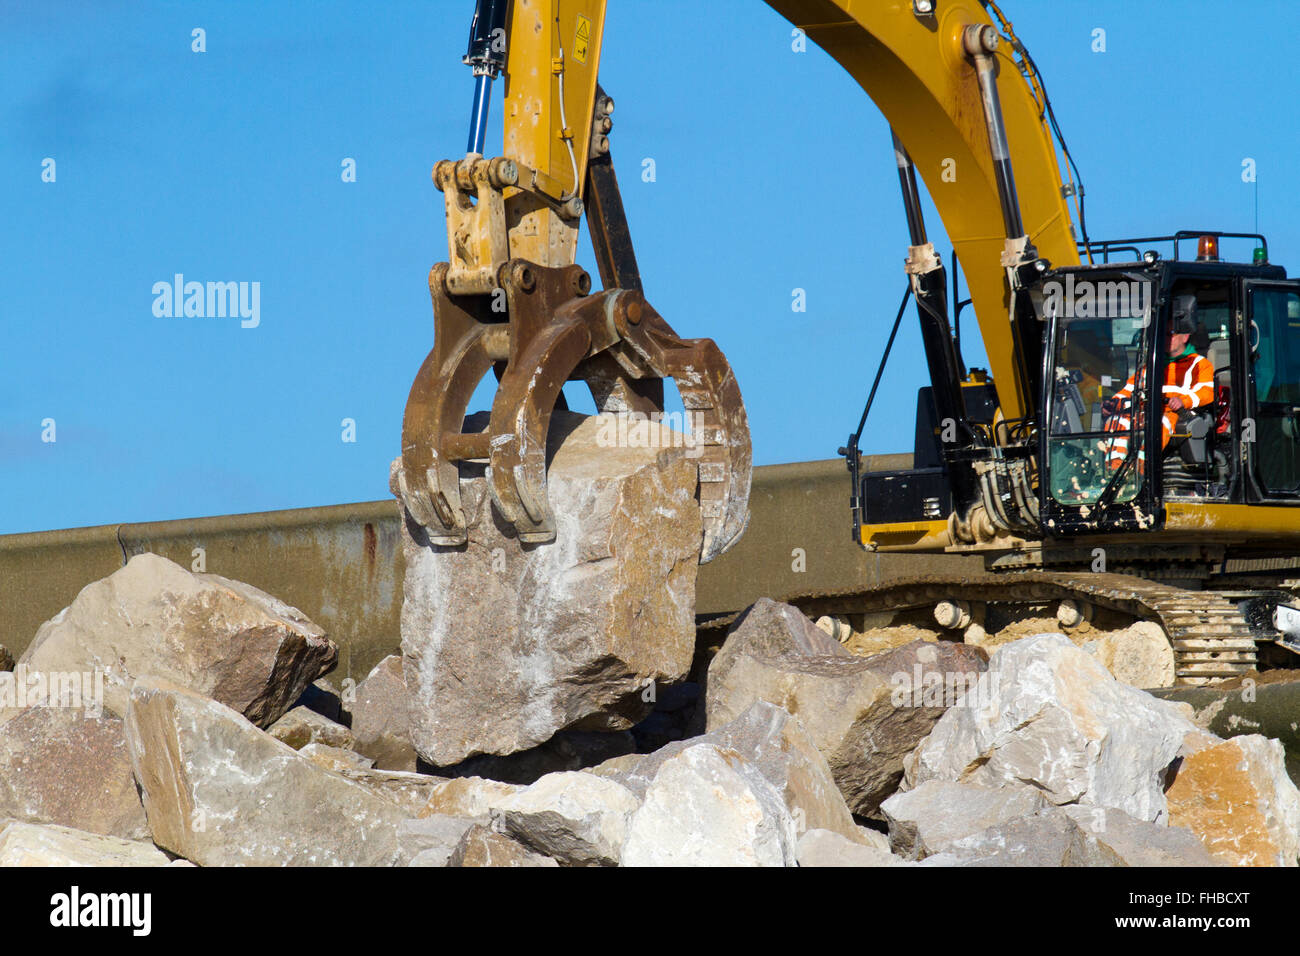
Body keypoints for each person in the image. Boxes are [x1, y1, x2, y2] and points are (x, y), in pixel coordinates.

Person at [1100, 295, 1214, 469]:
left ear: (1184, 337)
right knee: (1117, 422)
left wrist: (1182, 401)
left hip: (1174, 413)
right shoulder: (1151, 367)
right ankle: (1115, 471)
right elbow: (1130, 389)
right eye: (1163, 335)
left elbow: (1206, 392)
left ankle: (1141, 472)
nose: (1166, 339)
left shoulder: (1198, 364)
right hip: (1146, 411)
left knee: (1156, 425)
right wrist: (1113, 403)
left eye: (1170, 334)